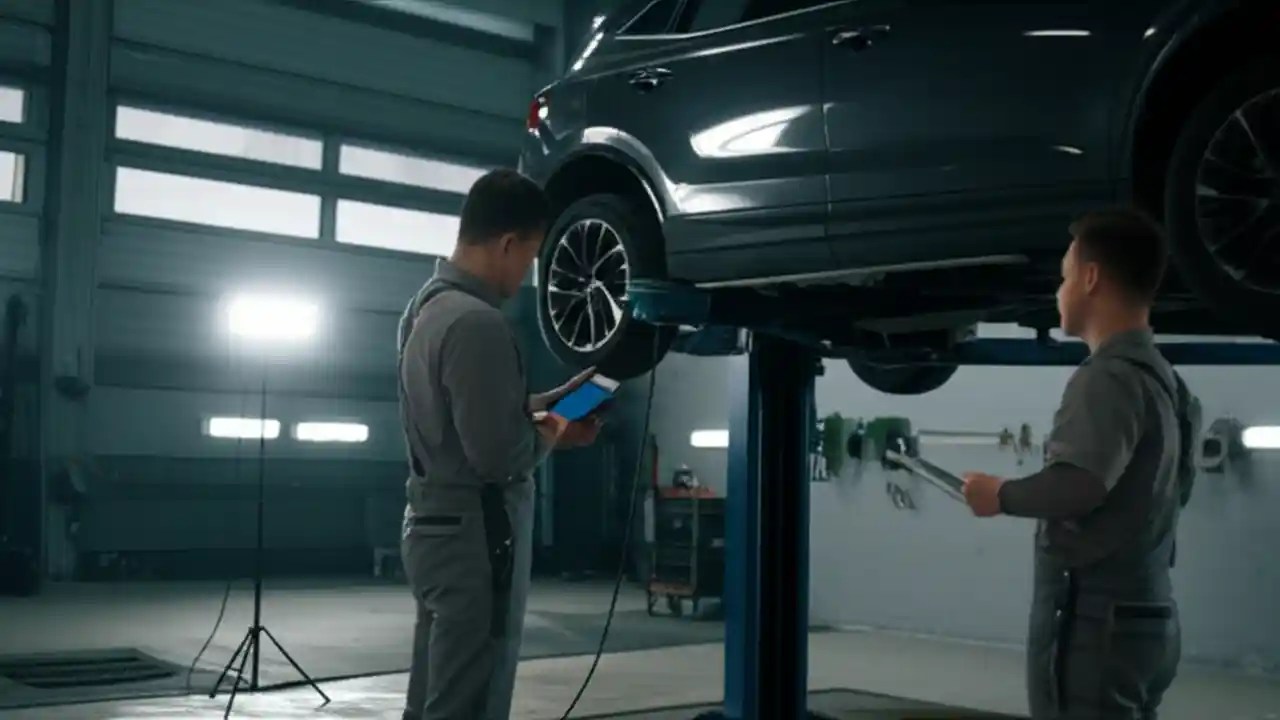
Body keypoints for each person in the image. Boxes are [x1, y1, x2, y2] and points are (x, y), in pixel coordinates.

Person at [961, 208, 1199, 720]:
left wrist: (998, 495)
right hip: (1149, 619)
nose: (1058, 290)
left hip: (1098, 626)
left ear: (1091, 279)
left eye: (1065, 275)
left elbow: (1081, 485)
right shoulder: (1170, 385)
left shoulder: (1107, 379)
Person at [396, 169, 602, 720]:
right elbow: (496, 456)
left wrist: (553, 402)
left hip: (433, 525)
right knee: (471, 701)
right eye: (531, 257)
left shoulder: (426, 308)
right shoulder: (479, 323)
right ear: (508, 244)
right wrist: (558, 428)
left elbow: (471, 410)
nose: (528, 273)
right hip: (476, 539)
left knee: (434, 696)